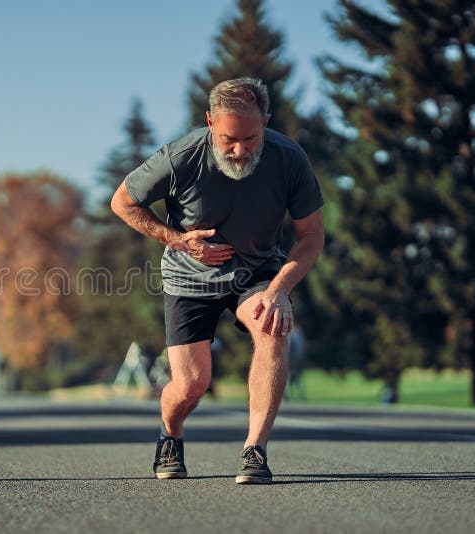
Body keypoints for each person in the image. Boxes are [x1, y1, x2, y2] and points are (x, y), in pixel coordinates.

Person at [110, 77, 324, 484]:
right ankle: (170, 433)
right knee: (191, 385)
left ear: (266, 120)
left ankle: (254, 450)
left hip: (258, 270)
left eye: (251, 137)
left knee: (272, 326)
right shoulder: (180, 157)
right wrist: (177, 240)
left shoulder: (288, 158)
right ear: (210, 122)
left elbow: (311, 235)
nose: (240, 150)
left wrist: (279, 290)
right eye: (229, 139)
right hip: (189, 275)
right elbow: (122, 202)